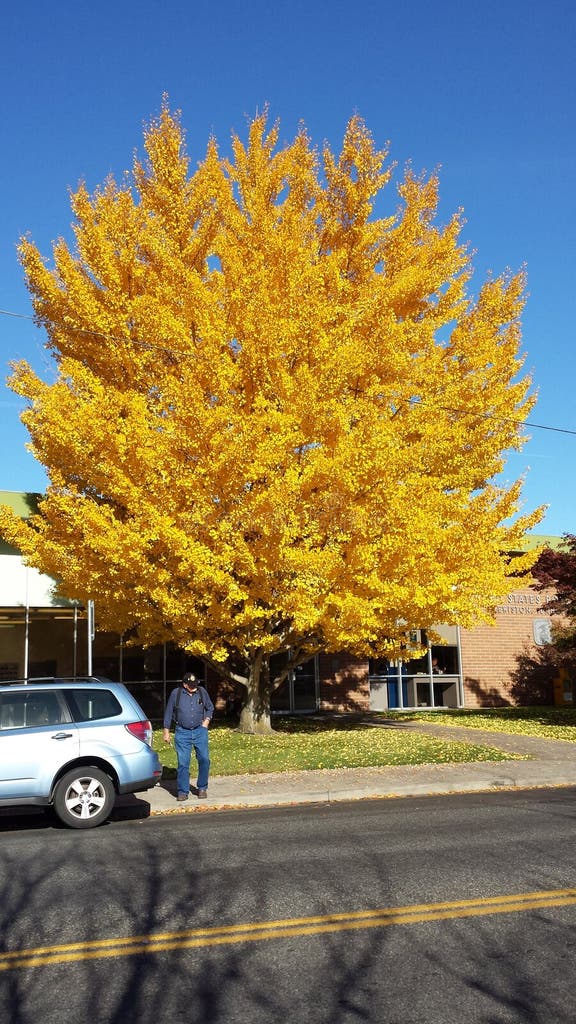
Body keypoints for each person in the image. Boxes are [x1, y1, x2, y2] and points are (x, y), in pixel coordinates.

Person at [163, 672, 214, 801]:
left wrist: (206, 721)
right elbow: (169, 712)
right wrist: (166, 732)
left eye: (195, 684)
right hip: (182, 732)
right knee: (183, 763)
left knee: (204, 759)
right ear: (185, 685)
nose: (194, 687)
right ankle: (183, 791)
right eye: (191, 685)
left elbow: (210, 708)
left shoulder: (202, 692)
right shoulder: (176, 693)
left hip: (199, 731)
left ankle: (202, 787)